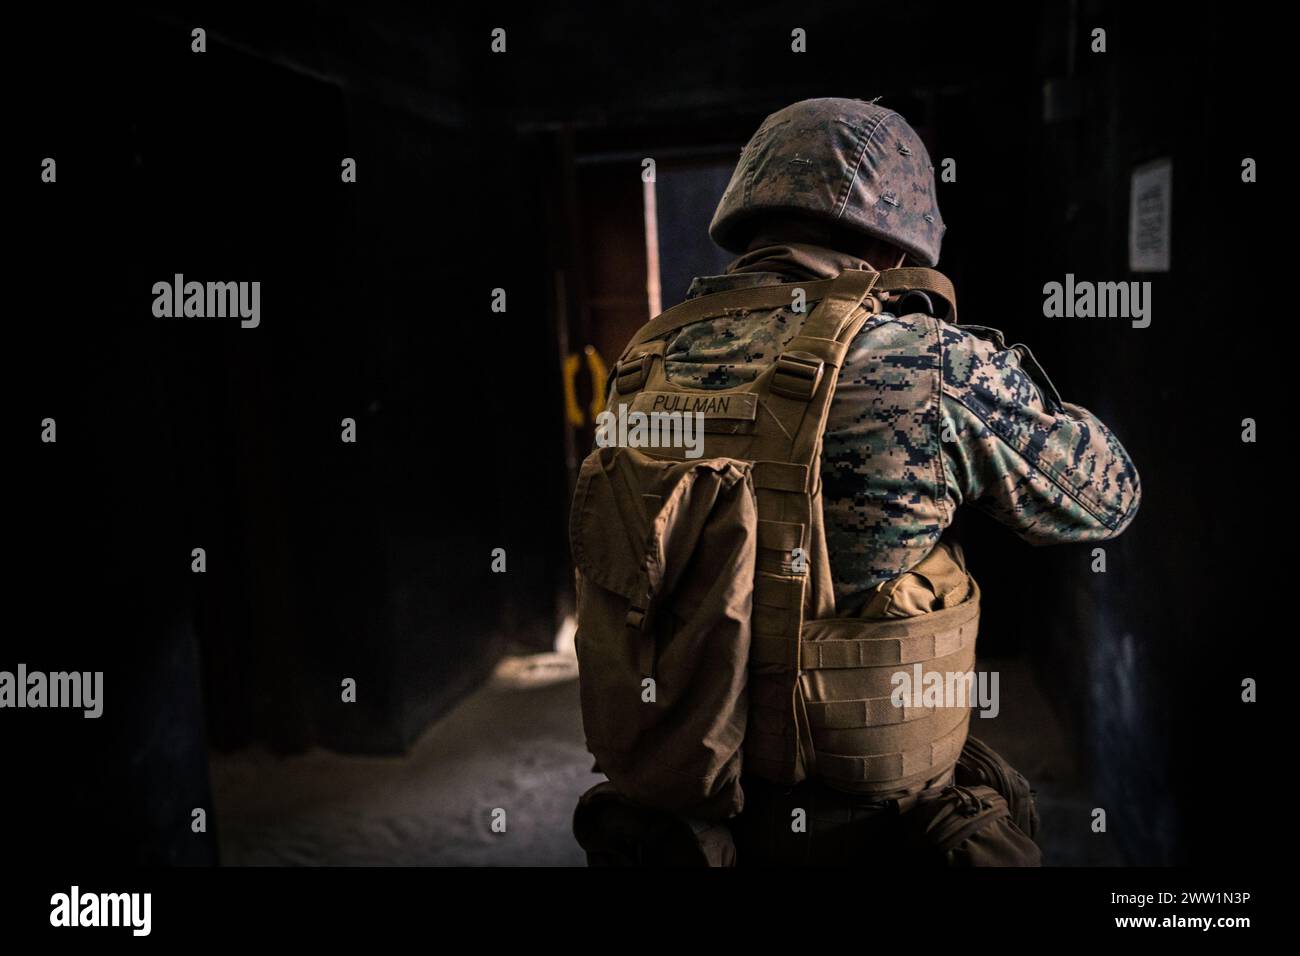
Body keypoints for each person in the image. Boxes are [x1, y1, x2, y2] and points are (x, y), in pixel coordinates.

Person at [574, 97, 1140, 866]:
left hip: (683, 823)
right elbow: (1106, 497)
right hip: (869, 829)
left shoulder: (643, 361)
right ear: (896, 240)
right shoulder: (928, 360)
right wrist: (998, 382)